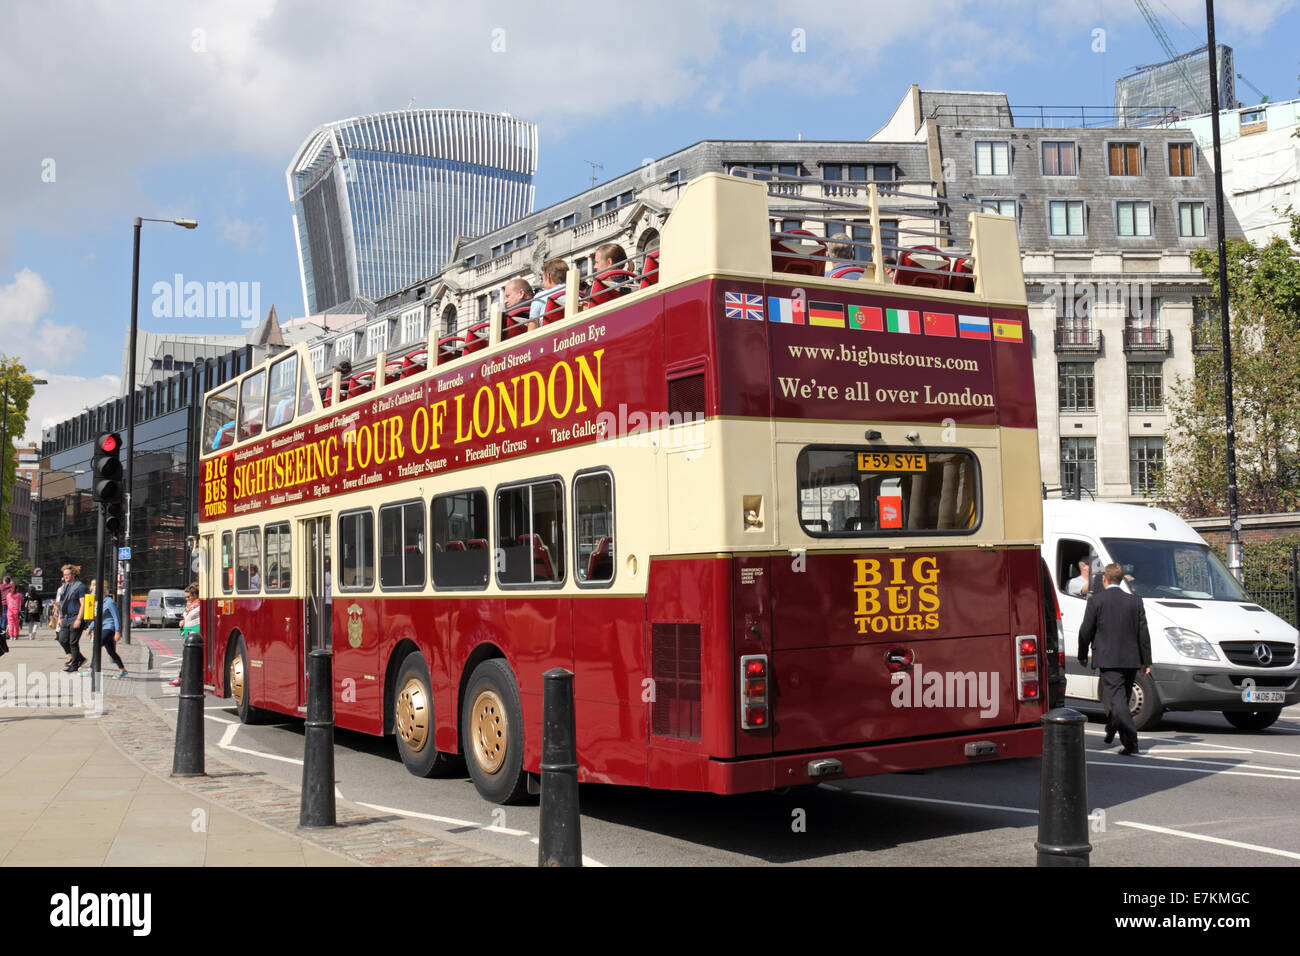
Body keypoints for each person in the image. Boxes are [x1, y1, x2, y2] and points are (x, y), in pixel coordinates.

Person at [1078, 563, 1152, 756]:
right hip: (1131, 658)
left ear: (1104, 579)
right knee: (1121, 699)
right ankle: (1111, 729)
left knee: (1118, 702)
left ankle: (1131, 742)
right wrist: (1146, 661)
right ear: (1120, 579)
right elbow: (1143, 633)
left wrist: (1081, 653)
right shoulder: (1135, 601)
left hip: (1108, 659)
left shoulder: (1096, 601)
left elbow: (1086, 630)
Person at [53, 565, 87, 672]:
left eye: (68, 574)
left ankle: (75, 665)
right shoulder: (64, 587)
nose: (66, 576)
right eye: (64, 575)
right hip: (65, 618)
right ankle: (80, 659)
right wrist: (60, 617)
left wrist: (79, 619)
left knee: (73, 642)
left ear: (73, 574)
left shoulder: (79, 586)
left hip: (75, 617)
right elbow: (62, 604)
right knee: (62, 639)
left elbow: (83, 604)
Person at [170, 584, 200, 687]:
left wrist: (188, 626)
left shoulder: (200, 606)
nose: (187, 599)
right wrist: (183, 622)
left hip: (196, 636)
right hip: (189, 635)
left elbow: (200, 621)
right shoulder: (190, 606)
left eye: (189, 597)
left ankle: (182, 678)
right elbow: (188, 618)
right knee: (187, 657)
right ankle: (185, 678)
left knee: (188, 657)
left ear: (195, 595)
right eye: (186, 597)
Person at [97, 588, 127, 679]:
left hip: (110, 628)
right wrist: (90, 628)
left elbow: (116, 617)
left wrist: (118, 631)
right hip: (102, 627)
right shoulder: (98, 603)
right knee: (111, 652)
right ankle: (123, 670)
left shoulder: (110, 602)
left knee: (97, 646)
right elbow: (97, 617)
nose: (93, 594)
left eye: (95, 592)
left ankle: (91, 668)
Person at [529, 259, 569, 325]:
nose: (542, 283)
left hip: (548, 333)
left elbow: (532, 324)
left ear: (548, 277)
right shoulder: (577, 293)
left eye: (542, 279)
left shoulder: (540, 297)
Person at [4, 577, 22, 642]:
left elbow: (8, 603)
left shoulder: (8, 595)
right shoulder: (19, 595)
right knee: (16, 624)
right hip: (16, 611)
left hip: (9, 611)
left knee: (10, 624)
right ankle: (15, 635)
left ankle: (11, 636)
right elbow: (20, 603)